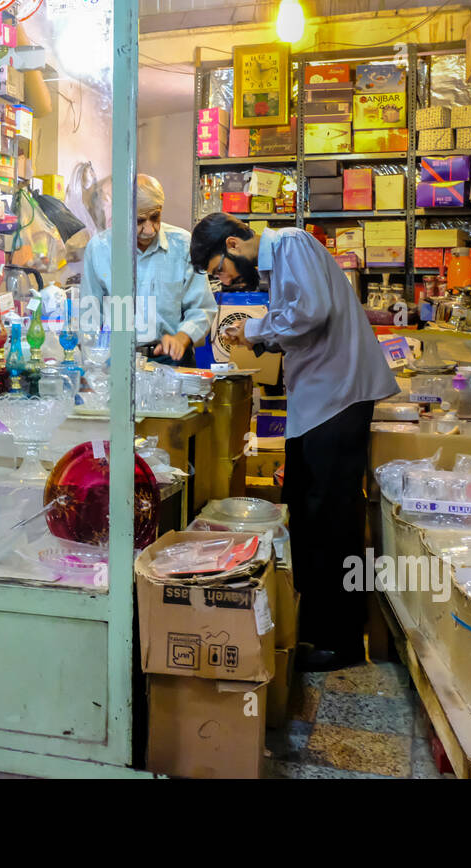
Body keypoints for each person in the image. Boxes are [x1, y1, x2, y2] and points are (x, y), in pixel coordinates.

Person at [189, 213, 399, 672]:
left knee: (332, 518)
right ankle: (308, 628)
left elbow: (311, 312)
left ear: (232, 243)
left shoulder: (290, 244)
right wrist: (263, 333)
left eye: (218, 270)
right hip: (319, 400)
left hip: (339, 397)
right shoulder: (276, 264)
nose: (223, 280)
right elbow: (300, 318)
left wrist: (256, 331)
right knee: (303, 512)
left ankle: (341, 642)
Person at [81, 174, 218, 365]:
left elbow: (202, 307)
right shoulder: (100, 249)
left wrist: (183, 336)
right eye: (139, 221)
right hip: (117, 362)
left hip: (172, 361)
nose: (150, 229)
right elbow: (90, 314)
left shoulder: (183, 245)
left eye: (155, 217)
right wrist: (93, 364)